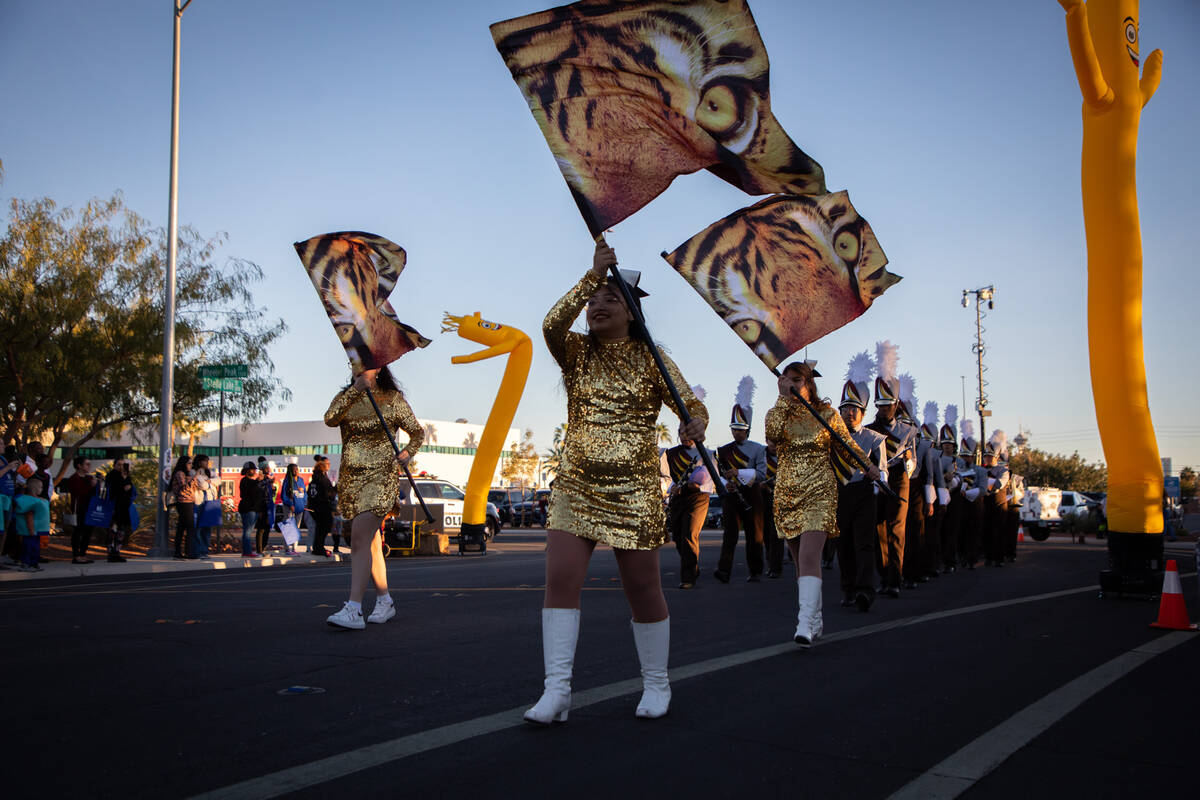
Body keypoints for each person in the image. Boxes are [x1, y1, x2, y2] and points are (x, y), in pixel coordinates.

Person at [525, 241, 707, 724]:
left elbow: (692, 404)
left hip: (634, 490)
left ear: (631, 312)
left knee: (642, 587)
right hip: (576, 484)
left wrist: (696, 423)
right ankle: (556, 691)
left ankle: (657, 683)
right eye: (593, 300)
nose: (596, 305)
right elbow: (550, 324)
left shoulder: (652, 359)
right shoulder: (576, 351)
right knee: (560, 579)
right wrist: (591, 276)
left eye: (609, 298)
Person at [767, 361, 878, 646]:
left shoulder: (827, 414)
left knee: (809, 556)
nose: (791, 384)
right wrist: (782, 399)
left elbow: (847, 444)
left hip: (820, 491)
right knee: (799, 562)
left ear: (809, 383)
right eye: (786, 379)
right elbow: (772, 437)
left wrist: (867, 464)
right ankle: (815, 618)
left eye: (797, 380)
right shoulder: (777, 413)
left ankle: (804, 622)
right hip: (787, 494)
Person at [323, 364, 425, 629]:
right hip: (352, 478)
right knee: (371, 543)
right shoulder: (347, 396)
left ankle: (354, 609)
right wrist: (355, 390)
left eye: (365, 365)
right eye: (355, 365)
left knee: (359, 538)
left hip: (381, 477)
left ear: (378, 367)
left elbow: (417, 432)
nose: (358, 368)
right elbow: (330, 418)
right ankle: (384, 600)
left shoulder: (392, 399)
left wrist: (408, 452)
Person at [831, 360, 886, 612]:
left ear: (863, 412)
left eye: (855, 409)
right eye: (845, 408)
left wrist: (878, 475)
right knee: (843, 543)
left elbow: (883, 471)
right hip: (840, 493)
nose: (850, 413)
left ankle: (865, 590)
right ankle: (848, 588)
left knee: (864, 543)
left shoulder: (875, 439)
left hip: (864, 493)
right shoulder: (831, 437)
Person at [865, 362, 917, 598]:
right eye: (881, 405)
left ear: (896, 404)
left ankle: (895, 579)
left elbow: (913, 466)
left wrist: (908, 459)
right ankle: (884, 575)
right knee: (878, 530)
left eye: (888, 405)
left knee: (896, 529)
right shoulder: (869, 430)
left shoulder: (908, 431)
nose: (884, 409)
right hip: (876, 479)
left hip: (899, 479)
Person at [713, 382, 769, 583]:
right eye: (734, 429)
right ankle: (724, 570)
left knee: (755, 535)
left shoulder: (758, 449)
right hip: (731, 495)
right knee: (730, 535)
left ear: (748, 430)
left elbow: (762, 474)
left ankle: (755, 570)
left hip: (751, 494)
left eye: (740, 429)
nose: (736, 433)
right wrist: (724, 483)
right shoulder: (723, 450)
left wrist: (739, 473)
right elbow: (719, 474)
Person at [660, 431, 713, 589]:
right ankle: (692, 565)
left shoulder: (707, 453)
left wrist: (698, 485)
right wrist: (670, 487)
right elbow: (666, 476)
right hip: (678, 498)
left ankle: (688, 577)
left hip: (698, 498)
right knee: (678, 536)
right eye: (681, 433)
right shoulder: (670, 454)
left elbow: (712, 479)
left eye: (688, 433)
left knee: (689, 534)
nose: (685, 436)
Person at [59, 455, 99, 564]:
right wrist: (91, 486)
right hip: (79, 508)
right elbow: (78, 493)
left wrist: (96, 484)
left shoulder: (89, 478)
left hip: (90, 508)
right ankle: (76, 555)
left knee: (88, 532)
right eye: (87, 464)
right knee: (78, 531)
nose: (89, 466)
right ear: (79, 466)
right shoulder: (74, 478)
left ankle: (83, 554)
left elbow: (95, 493)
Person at [982, 434, 1010, 566]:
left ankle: (999, 558)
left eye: (990, 456)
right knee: (986, 531)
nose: (987, 459)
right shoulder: (981, 469)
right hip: (985, 504)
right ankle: (988, 557)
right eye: (986, 456)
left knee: (999, 532)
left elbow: (999, 484)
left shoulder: (1003, 470)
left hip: (999, 505)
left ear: (997, 457)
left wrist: (985, 480)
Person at [14, 477, 50, 571]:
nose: (42, 489)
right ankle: (26, 564)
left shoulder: (39, 500)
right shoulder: (30, 501)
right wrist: (31, 530)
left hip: (36, 530)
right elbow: (29, 516)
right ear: (35, 488)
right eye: (41, 487)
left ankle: (34, 563)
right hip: (31, 530)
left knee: (35, 547)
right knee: (29, 547)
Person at [104, 459, 135, 563]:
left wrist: (126, 480)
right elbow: (112, 489)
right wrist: (123, 488)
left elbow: (130, 489)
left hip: (124, 508)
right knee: (112, 530)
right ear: (114, 465)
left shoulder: (126, 476)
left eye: (123, 465)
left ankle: (117, 552)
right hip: (114, 507)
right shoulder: (111, 475)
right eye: (119, 465)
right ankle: (110, 553)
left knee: (121, 530)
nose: (121, 467)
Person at [169, 455, 196, 560]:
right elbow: (184, 487)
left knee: (182, 527)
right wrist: (192, 479)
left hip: (189, 501)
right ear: (184, 464)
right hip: (184, 502)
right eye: (189, 463)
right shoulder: (180, 473)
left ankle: (180, 551)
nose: (190, 466)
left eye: (191, 463)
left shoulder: (186, 475)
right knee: (189, 527)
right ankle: (188, 551)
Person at [307, 455, 335, 556]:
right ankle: (319, 547)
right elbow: (328, 493)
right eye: (326, 464)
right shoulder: (323, 479)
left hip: (314, 507)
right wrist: (334, 490)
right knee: (324, 527)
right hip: (323, 507)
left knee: (319, 528)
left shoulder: (314, 479)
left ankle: (317, 547)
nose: (328, 465)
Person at [192, 454, 216, 559]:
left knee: (207, 529)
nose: (207, 463)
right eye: (205, 461)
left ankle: (205, 551)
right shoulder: (193, 472)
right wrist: (210, 484)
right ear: (199, 462)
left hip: (209, 503)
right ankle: (198, 551)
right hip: (199, 503)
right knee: (198, 529)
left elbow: (219, 480)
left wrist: (210, 482)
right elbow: (202, 485)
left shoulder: (208, 473)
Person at [281, 461, 307, 555]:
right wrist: (290, 504)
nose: (296, 471)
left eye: (297, 469)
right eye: (294, 469)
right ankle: (287, 548)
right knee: (288, 527)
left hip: (299, 508)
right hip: (289, 508)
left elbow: (304, 493)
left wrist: (304, 503)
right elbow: (284, 495)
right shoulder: (287, 481)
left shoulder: (301, 480)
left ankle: (294, 548)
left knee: (297, 528)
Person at [237, 462, 261, 556]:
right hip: (248, 509)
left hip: (254, 508)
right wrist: (258, 481)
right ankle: (247, 552)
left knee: (249, 531)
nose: (254, 471)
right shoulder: (245, 481)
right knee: (247, 531)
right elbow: (249, 490)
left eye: (255, 469)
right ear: (247, 471)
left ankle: (248, 551)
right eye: (252, 469)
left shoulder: (252, 482)